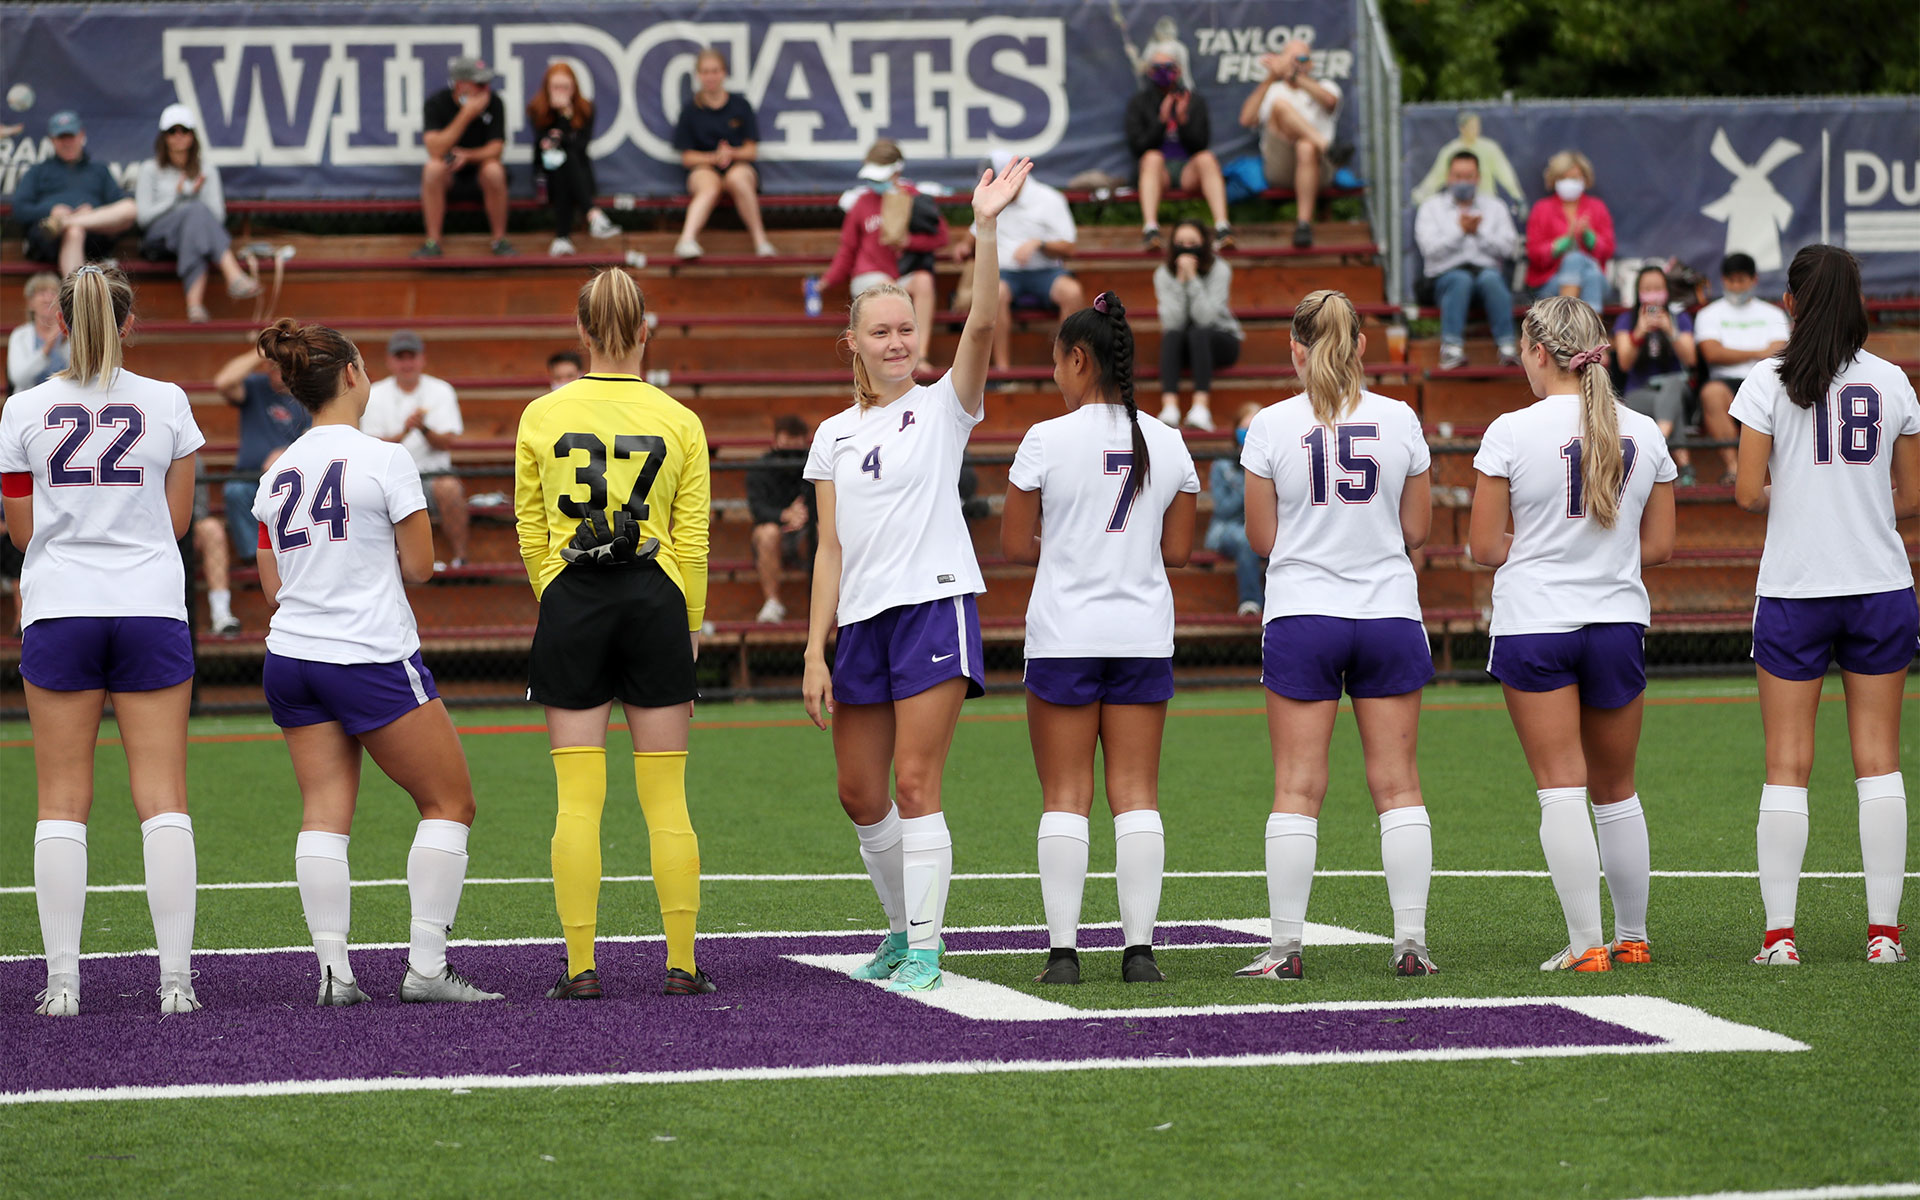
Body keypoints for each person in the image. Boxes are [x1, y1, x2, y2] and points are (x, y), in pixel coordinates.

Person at [800, 156, 1033, 994]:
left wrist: (986, 226)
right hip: (859, 622)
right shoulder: (830, 433)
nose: (898, 342)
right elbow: (828, 546)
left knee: (913, 780)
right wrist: (813, 649)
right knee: (861, 793)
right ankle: (901, 932)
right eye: (882, 332)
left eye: (906, 329)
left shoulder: (943, 406)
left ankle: (928, 949)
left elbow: (981, 330)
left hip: (935, 605)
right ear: (853, 342)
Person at [251, 319, 502, 1007]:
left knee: (324, 812)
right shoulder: (387, 458)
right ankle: (425, 967)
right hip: (366, 654)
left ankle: (335, 973)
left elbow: (273, 588)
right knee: (450, 802)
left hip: (292, 657)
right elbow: (421, 567)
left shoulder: (277, 472)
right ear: (355, 374)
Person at [0, 264, 204, 1016]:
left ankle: (62, 985)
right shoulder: (169, 401)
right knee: (162, 798)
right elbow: (179, 524)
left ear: (56, 320)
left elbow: (22, 533)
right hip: (149, 604)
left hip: (60, 607)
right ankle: (175, 983)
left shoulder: (23, 408)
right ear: (127, 323)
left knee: (60, 800)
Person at [515, 267, 714, 1000]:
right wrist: (688, 622)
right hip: (655, 600)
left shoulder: (542, 413)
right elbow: (691, 539)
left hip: (574, 601)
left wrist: (557, 592)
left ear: (580, 331)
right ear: (644, 330)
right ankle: (683, 962)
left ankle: (579, 967)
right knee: (666, 795)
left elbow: (531, 528)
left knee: (577, 796)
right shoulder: (679, 418)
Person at [1468, 295, 1676, 973]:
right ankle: (1633, 937)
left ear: (1537, 352)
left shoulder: (1509, 430)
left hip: (1536, 623)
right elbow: (1663, 545)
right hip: (1615, 620)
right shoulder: (1644, 427)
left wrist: (1544, 552)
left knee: (1560, 786)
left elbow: (1481, 548)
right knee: (1618, 788)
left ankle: (1588, 946)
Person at [1235, 289, 1438, 980]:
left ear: (1295, 348)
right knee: (1398, 784)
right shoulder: (1401, 417)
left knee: (1297, 786)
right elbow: (1416, 531)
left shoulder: (1269, 425)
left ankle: (1286, 950)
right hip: (1387, 611)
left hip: (1302, 614)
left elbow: (1262, 538)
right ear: (1362, 346)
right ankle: (1410, 941)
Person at [1002, 290, 1199, 985]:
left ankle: (1063, 955)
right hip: (1142, 633)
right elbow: (1178, 551)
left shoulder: (1045, 439)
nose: (1055, 376)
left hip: (1064, 634)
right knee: (1137, 792)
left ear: (1079, 359)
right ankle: (1140, 952)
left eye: (1058, 363)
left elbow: (1012, 544)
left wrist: (1069, 543)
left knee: (1064, 793)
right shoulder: (1169, 441)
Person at [1730, 244, 1918, 968]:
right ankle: (1884, 935)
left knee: (1787, 763)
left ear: (1791, 303)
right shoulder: (1892, 381)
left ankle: (1781, 939)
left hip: (1795, 590)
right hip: (1878, 583)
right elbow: (1914, 496)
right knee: (1879, 761)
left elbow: (1747, 493)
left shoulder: (1768, 381)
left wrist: (1802, 495)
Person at [815, 140, 949, 375]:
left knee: (923, 282)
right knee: (889, 291)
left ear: (897, 172)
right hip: (870, 277)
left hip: (900, 275)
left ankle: (921, 356)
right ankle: (892, 360)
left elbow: (941, 237)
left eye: (880, 177)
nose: (874, 184)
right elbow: (847, 249)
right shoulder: (862, 203)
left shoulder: (915, 198)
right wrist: (825, 282)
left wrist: (910, 242)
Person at [953, 150, 1081, 373]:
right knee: (997, 294)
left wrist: (1040, 244)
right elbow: (972, 234)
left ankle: (1068, 369)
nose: (994, 185)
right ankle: (1004, 372)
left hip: (1046, 272)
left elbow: (1069, 247)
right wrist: (964, 245)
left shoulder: (1049, 199)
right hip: (1005, 274)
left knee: (1072, 293)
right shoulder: (994, 198)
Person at [134, 104, 259, 322]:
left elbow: (217, 216)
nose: (178, 136)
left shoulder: (207, 169)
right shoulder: (149, 169)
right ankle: (232, 274)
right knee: (196, 212)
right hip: (160, 239)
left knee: (196, 224)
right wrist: (178, 197)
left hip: (192, 238)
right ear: (164, 137)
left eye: (184, 130)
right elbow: (144, 219)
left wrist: (191, 202)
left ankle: (195, 306)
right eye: (172, 131)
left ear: (193, 136)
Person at [360, 331, 468, 569]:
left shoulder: (441, 390)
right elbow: (372, 445)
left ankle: (461, 558)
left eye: (411, 357)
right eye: (401, 357)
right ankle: (388, 565)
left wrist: (423, 429)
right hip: (390, 477)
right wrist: (407, 430)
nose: (406, 363)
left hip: (433, 474)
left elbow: (447, 440)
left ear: (421, 359)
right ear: (390, 361)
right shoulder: (376, 394)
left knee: (449, 487)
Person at [214, 346, 312, 580]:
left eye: (282, 365)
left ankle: (289, 559)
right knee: (236, 492)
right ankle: (254, 562)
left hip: (291, 479)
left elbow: (315, 438)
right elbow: (224, 382)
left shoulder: (307, 396)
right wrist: (260, 351)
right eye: (272, 365)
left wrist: (287, 454)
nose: (275, 370)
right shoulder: (257, 387)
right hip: (250, 477)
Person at [1415, 150, 1519, 370]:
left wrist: (1479, 232)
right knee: (1460, 279)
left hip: (1487, 279)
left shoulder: (1495, 207)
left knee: (1491, 279)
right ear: (1448, 177)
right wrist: (1460, 231)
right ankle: (1451, 350)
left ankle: (1508, 348)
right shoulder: (1431, 208)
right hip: (1444, 279)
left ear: (1478, 178)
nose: (1463, 181)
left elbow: (1509, 248)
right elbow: (1429, 250)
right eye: (1458, 176)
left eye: (1469, 176)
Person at [1696, 252, 1791, 486]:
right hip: (1725, 384)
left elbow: (1780, 350)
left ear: (1754, 280)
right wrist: (1759, 351)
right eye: (1731, 280)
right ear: (1723, 280)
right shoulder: (1708, 314)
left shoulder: (1773, 313)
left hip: (1769, 380)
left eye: (1741, 280)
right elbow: (1712, 353)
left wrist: (1732, 351)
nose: (1736, 286)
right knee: (1711, 394)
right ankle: (1735, 468)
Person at [671, 48, 775, 260]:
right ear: (699, 75)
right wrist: (713, 158)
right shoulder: (690, 110)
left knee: (738, 178)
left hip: (737, 166)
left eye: (715, 71)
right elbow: (687, 157)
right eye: (706, 71)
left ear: (724, 73)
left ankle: (761, 241)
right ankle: (686, 240)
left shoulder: (740, 105)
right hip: (704, 169)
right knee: (709, 185)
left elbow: (751, 151)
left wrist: (731, 154)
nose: (710, 76)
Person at [1125, 51, 1232, 250]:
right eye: (1158, 68)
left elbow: (1201, 144)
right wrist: (1161, 121)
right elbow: (1138, 147)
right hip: (1158, 172)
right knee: (1152, 157)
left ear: (1179, 70)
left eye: (1169, 67)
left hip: (1187, 171)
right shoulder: (1140, 102)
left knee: (1207, 158)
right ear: (1149, 72)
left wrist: (1183, 121)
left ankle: (1222, 227)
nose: (1163, 72)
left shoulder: (1194, 101)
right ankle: (1150, 229)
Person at [1238, 41, 1340, 248]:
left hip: (1318, 168)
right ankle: (1325, 145)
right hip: (1281, 167)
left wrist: (1294, 76)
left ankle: (1303, 224)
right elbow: (1246, 119)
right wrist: (1271, 77)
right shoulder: (1273, 90)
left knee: (1305, 146)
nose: (1297, 64)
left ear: (1311, 64)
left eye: (1302, 59)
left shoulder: (1327, 86)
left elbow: (1329, 102)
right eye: (1292, 60)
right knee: (1280, 107)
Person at [13, 111, 139, 278]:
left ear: (81, 135)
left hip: (95, 236)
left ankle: (66, 222)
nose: (67, 142)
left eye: (71, 136)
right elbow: (20, 209)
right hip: (49, 238)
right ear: (52, 140)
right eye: (61, 138)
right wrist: (51, 210)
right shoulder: (37, 171)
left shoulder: (99, 170)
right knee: (75, 231)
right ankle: (75, 298)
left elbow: (121, 207)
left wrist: (91, 213)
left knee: (129, 207)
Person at [416, 57, 512, 259]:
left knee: (493, 169)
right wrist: (467, 114)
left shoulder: (495, 103)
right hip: (449, 175)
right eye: (479, 84)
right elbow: (434, 148)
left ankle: (499, 240)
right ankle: (433, 242)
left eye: (486, 83)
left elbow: (496, 149)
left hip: (480, 173)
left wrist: (468, 156)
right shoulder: (436, 103)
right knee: (433, 169)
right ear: (460, 84)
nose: (485, 88)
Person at [1612, 264, 1698, 485]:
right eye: (1647, 288)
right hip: (1639, 393)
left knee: (1672, 386)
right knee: (1669, 402)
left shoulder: (1680, 318)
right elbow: (1624, 362)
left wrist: (1670, 330)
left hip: (1675, 387)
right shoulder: (1626, 320)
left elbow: (1690, 359)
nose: (1652, 294)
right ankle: (1684, 466)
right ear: (1638, 292)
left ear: (1667, 291)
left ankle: (1658, 442)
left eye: (1657, 288)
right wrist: (1639, 332)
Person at [1153, 221, 1243, 431]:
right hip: (1183, 343)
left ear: (1204, 243)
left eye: (1192, 242)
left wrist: (1192, 278)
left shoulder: (1220, 269)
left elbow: (1205, 318)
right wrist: (1179, 280)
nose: (1187, 247)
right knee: (1172, 336)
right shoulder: (1163, 274)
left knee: (1199, 333)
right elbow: (1173, 322)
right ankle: (1170, 408)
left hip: (1221, 340)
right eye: (1181, 243)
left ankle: (1201, 408)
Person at [527, 62, 619, 257]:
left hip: (580, 175)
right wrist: (561, 121)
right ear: (547, 88)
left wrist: (566, 116)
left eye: (565, 87)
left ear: (574, 88)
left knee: (566, 159)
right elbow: (543, 151)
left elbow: (580, 146)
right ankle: (593, 215)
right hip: (547, 175)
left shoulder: (585, 108)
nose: (560, 92)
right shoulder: (537, 108)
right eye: (556, 87)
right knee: (560, 161)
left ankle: (562, 238)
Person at [1524, 151, 1614, 310]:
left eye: (1574, 178)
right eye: (1563, 178)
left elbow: (1608, 251)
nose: (1569, 182)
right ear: (1553, 180)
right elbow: (1534, 255)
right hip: (1550, 283)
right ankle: (1592, 333)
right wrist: (1565, 241)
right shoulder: (1541, 209)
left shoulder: (1597, 207)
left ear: (1585, 179)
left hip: (1598, 282)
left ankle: (1565, 325)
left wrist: (1588, 236)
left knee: (1587, 270)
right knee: (1579, 265)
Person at [747, 414, 814, 623]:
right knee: (767, 533)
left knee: (825, 531)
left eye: (796, 447)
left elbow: (828, 503)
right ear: (776, 441)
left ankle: (830, 602)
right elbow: (758, 509)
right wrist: (784, 515)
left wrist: (804, 516)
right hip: (776, 533)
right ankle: (773, 603)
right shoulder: (761, 468)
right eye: (786, 446)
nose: (791, 453)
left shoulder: (817, 464)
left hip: (808, 532)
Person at [1207, 402, 1265, 617]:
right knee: (1246, 539)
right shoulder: (1222, 465)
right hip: (1227, 528)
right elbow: (1223, 509)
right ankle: (1250, 602)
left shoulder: (1273, 462)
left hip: (1263, 526)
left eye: (1254, 428)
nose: (1248, 434)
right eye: (1244, 428)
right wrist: (1250, 483)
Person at [7, 272, 67, 391]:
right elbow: (18, 378)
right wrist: (47, 349)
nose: (48, 298)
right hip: (28, 404)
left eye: (53, 293)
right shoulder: (20, 335)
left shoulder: (71, 333)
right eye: (42, 293)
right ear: (30, 303)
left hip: (64, 404)